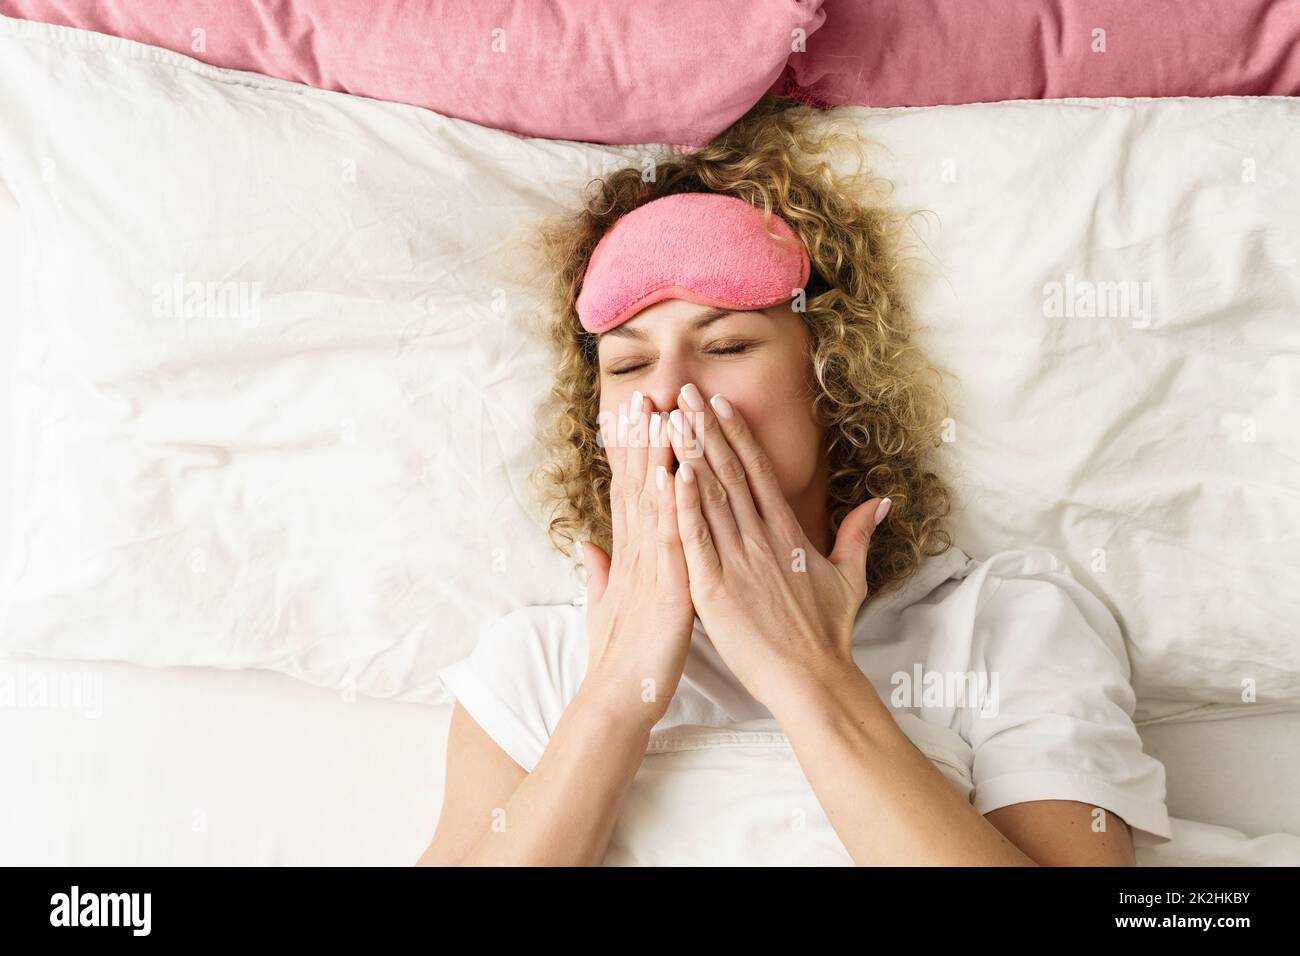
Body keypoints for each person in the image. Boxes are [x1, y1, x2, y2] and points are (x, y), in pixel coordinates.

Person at [416, 94, 1172, 866]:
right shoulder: (535, 663)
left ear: (833, 379)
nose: (671, 392)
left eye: (730, 345)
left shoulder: (1002, 628)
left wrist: (809, 675)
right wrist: (614, 695)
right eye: (630, 363)